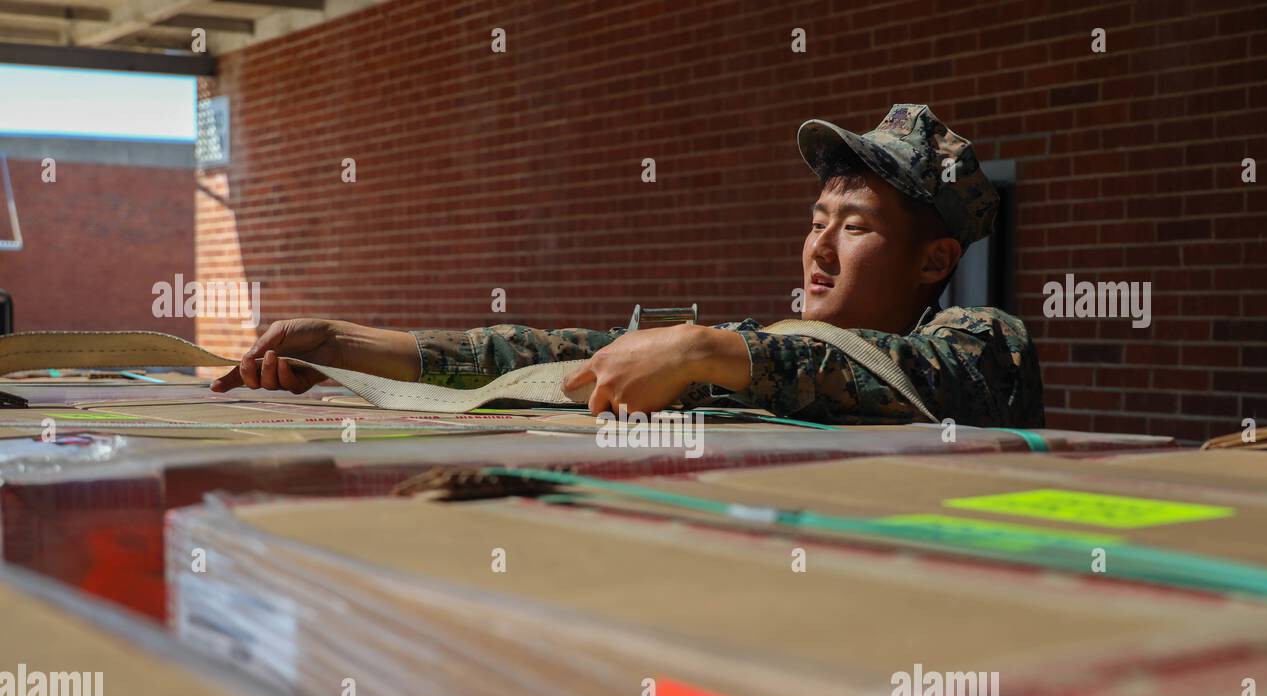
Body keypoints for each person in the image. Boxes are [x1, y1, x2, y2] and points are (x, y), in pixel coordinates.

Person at [212, 104, 1044, 427]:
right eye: (816, 219)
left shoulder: (983, 345)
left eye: (855, 227)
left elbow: (926, 378)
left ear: (937, 258)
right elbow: (555, 356)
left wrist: (697, 350)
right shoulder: (767, 346)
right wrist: (351, 347)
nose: (819, 248)